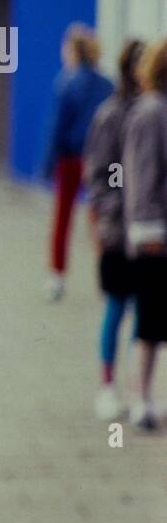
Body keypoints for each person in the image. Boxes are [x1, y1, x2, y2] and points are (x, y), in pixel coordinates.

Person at [84, 40, 145, 421]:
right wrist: (109, 216)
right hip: (120, 231)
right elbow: (100, 173)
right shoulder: (112, 114)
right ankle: (108, 385)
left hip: (151, 231)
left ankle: (139, 388)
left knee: (146, 311)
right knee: (117, 306)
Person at [43, 24, 113, 301]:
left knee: (63, 218)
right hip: (100, 159)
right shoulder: (106, 84)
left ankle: (57, 276)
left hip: (71, 158)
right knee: (101, 218)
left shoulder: (67, 82)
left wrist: (47, 165)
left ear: (72, 49)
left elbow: (55, 127)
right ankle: (106, 277)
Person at [121, 37, 167, 430]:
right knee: (149, 323)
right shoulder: (151, 113)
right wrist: (146, 231)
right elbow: (141, 178)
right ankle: (141, 398)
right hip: (155, 237)